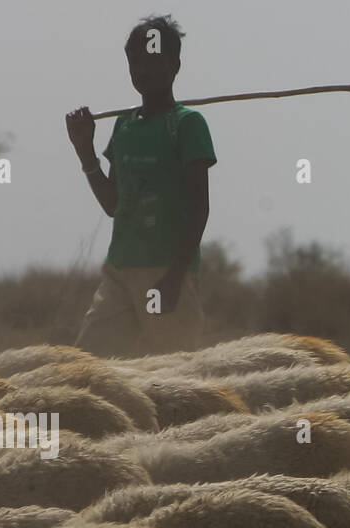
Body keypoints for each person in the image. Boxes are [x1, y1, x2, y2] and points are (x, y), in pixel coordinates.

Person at [66, 14, 216, 357]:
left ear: (174, 65)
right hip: (119, 272)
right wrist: (84, 149)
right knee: (87, 369)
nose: (141, 70)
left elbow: (199, 208)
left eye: (152, 60)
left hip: (166, 272)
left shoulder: (187, 124)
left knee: (173, 380)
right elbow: (113, 204)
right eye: (134, 61)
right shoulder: (124, 127)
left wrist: (175, 278)